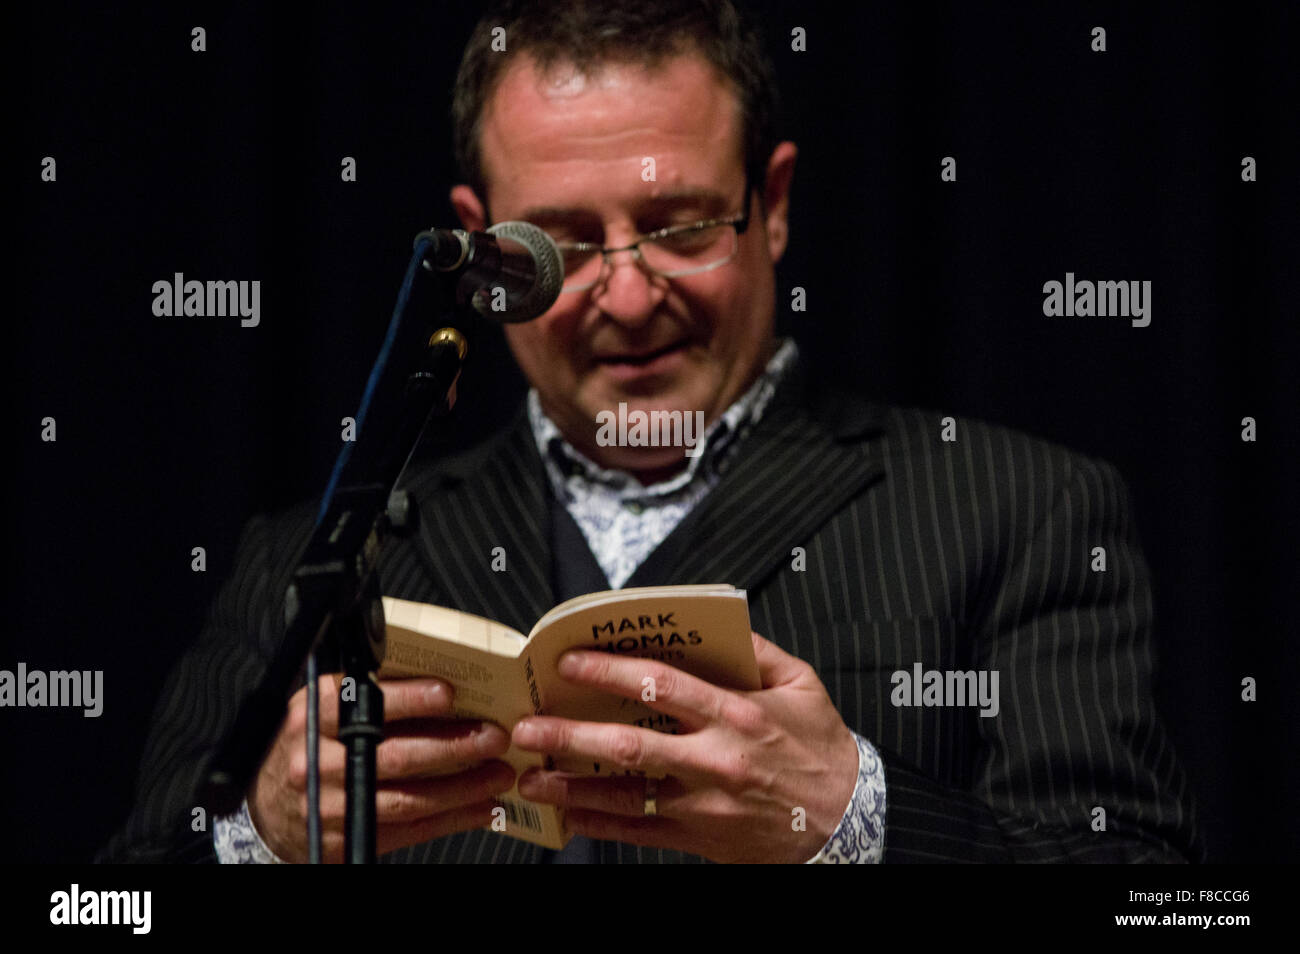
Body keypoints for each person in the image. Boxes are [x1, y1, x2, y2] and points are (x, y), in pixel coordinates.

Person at [100, 0, 1202, 864]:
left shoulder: (1022, 512)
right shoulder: (308, 557)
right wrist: (258, 841)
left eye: (679, 227)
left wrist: (853, 823)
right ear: (484, 248)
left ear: (771, 205)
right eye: (560, 247)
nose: (626, 298)